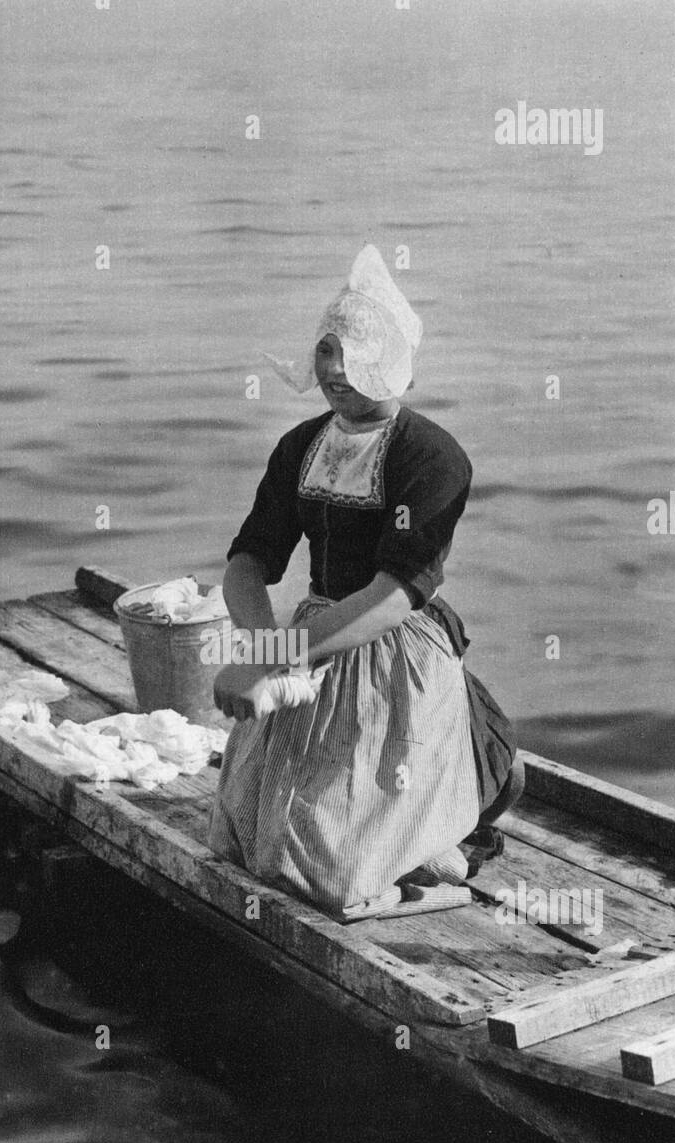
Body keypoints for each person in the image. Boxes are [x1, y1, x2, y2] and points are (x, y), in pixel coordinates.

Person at [208, 244, 520, 918]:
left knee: (327, 873)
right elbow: (248, 562)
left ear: (393, 360)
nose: (332, 369)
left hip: (393, 649)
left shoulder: (432, 457)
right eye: (326, 350)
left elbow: (393, 596)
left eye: (350, 353)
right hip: (311, 643)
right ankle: (421, 837)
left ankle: (460, 808)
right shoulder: (301, 446)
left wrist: (273, 659)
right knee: (242, 841)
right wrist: (262, 648)